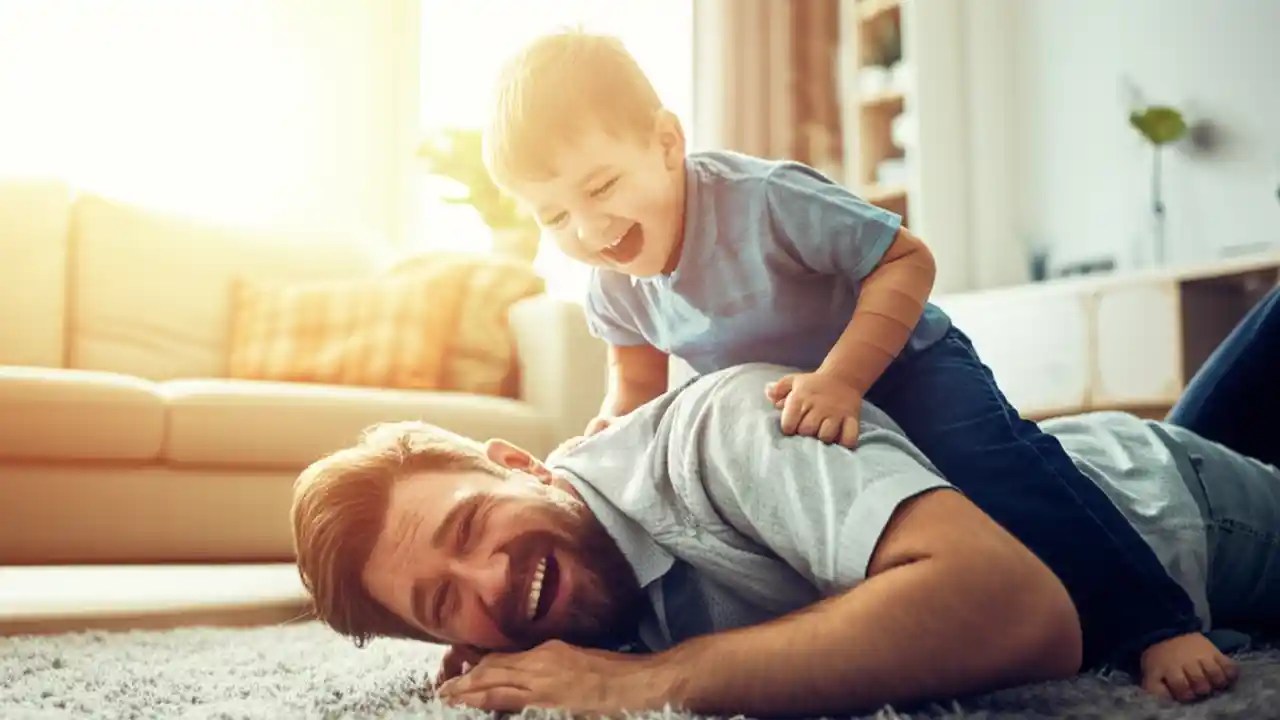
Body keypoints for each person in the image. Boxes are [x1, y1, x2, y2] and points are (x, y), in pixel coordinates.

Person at [477, 29, 1217, 685]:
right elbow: (632, 388)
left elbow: (904, 259)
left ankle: (1156, 622)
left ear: (667, 143)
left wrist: (843, 377)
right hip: (806, 410)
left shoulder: (763, 199)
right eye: (554, 216)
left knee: (1005, 475)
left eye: (600, 186)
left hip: (904, 365)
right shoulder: (613, 282)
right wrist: (605, 433)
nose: (590, 226)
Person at [289, 288, 1280, 716]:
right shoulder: (556, 612)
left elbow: (1017, 614)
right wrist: (522, 652)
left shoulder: (722, 428)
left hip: (1176, 514)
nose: (490, 578)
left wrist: (636, 685)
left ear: (521, 462)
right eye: (442, 603)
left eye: (467, 527)